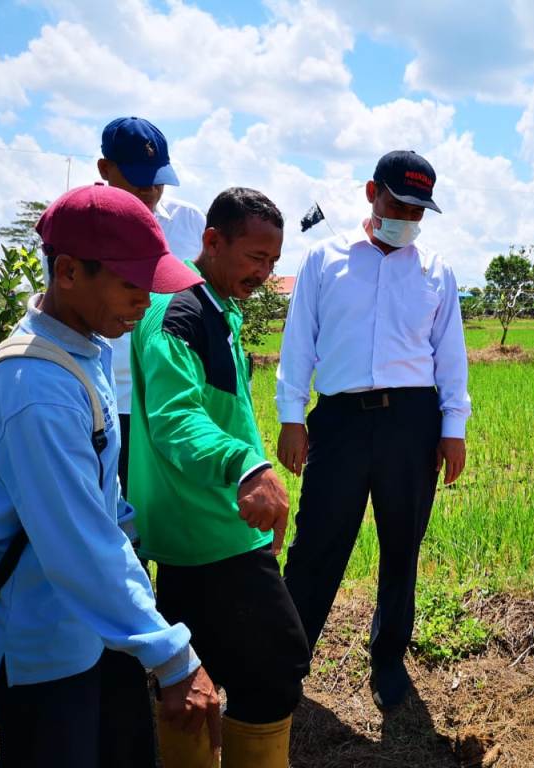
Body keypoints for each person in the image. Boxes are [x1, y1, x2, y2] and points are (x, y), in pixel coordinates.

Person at [0, 184, 220, 768]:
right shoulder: (37, 392)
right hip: (42, 648)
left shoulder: (86, 352)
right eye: (131, 285)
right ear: (68, 272)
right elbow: (79, 544)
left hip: (92, 631)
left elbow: (106, 506)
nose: (144, 303)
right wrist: (173, 656)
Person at [277, 150, 471, 711]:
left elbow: (450, 355)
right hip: (339, 421)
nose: (406, 218)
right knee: (316, 543)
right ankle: (288, 660)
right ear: (371, 192)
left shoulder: (435, 270)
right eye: (397, 204)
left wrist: (453, 427)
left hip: (413, 423)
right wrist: (291, 417)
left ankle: (388, 658)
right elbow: (298, 342)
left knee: (401, 544)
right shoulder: (325, 260)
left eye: (417, 210)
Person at [128, 187, 310, 768]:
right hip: (212, 528)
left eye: (273, 261)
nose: (265, 273)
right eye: (256, 257)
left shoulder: (215, 307)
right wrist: (246, 465)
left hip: (207, 525)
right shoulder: (181, 314)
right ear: (212, 241)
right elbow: (175, 418)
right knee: (277, 668)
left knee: (193, 677)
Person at [97, 116, 205, 494]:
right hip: (108, 402)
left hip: (173, 400)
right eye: (138, 178)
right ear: (105, 169)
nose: (150, 190)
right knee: (112, 510)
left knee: (172, 513)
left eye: (158, 178)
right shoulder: (84, 227)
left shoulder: (190, 222)